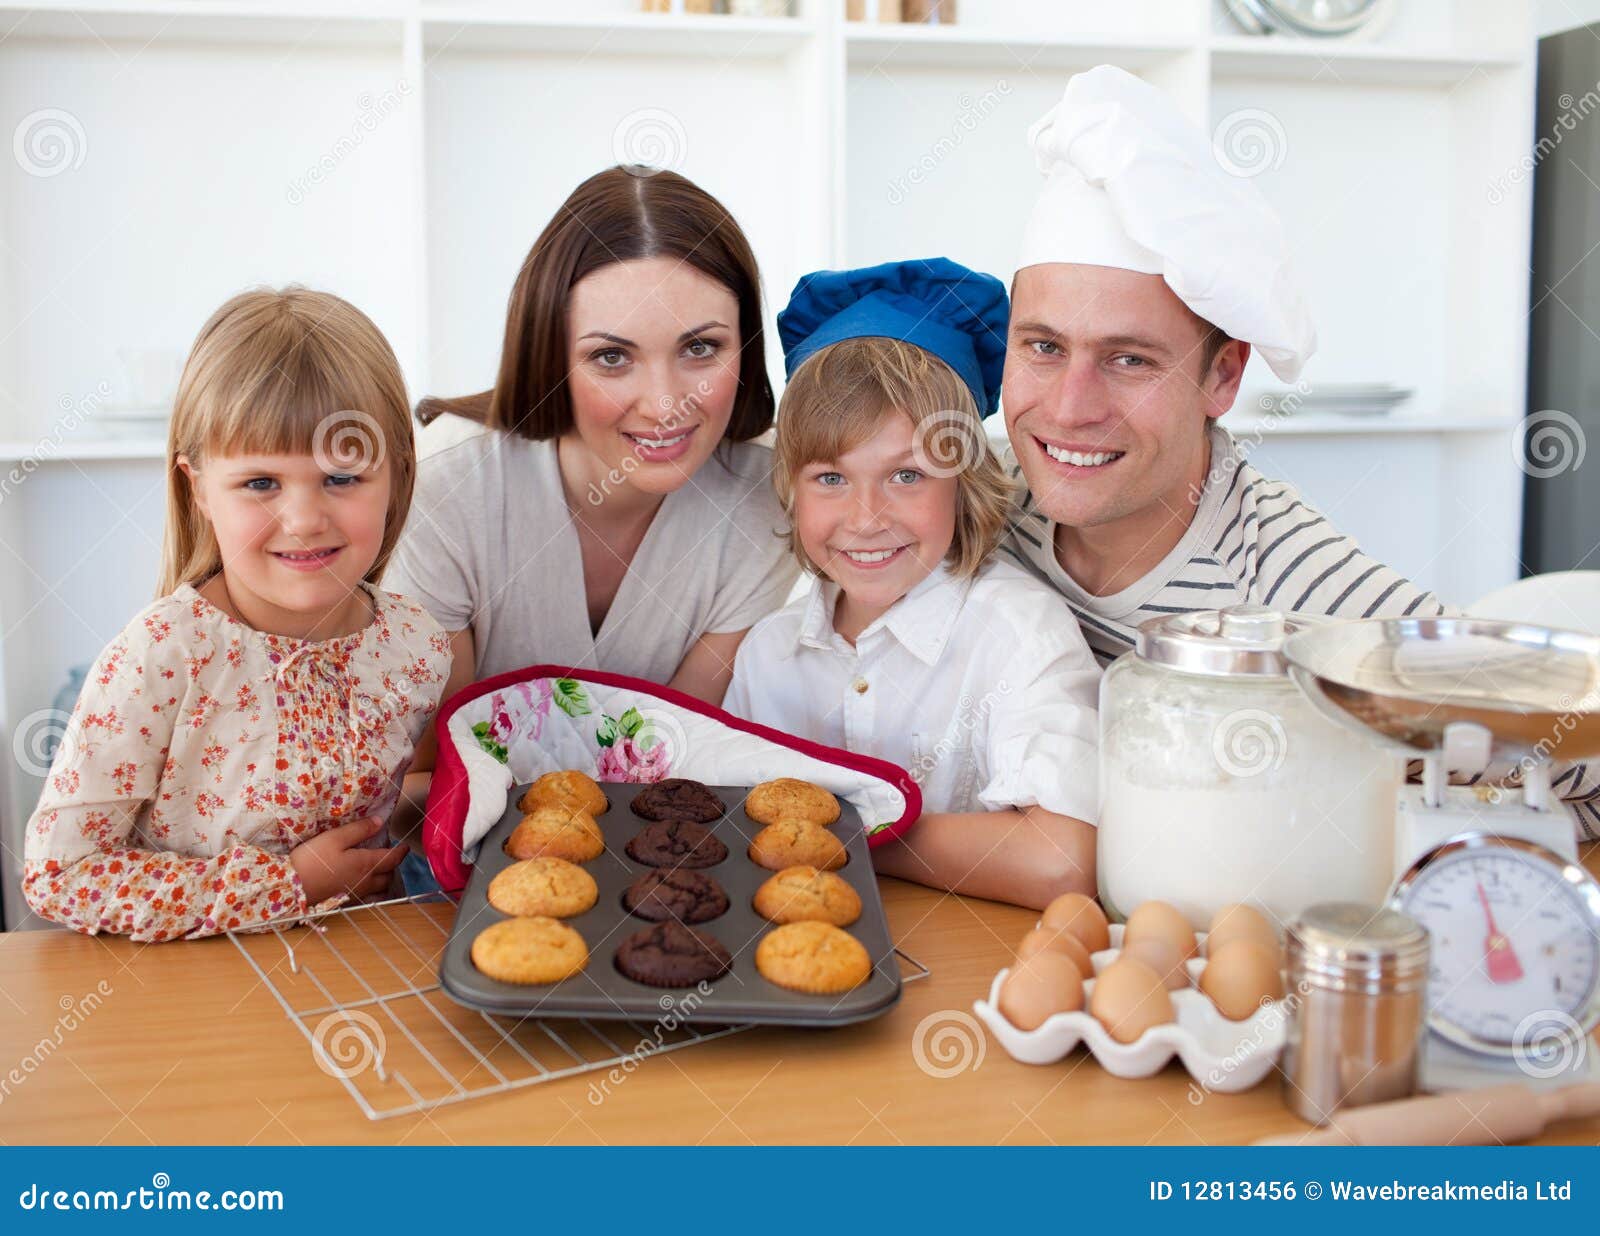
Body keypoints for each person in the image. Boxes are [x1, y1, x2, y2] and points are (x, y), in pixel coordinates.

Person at [1000, 65, 1599, 838]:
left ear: (1222, 376)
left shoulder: (1300, 592)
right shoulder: (980, 504)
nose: (1071, 408)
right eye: (1044, 347)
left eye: (1130, 360)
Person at [385, 168, 799, 855]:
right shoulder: (449, 490)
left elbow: (674, 757)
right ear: (551, 358)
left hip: (649, 853)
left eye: (701, 348)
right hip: (456, 861)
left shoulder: (766, 502)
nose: (665, 404)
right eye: (612, 357)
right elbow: (435, 772)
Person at [22, 288, 452, 941]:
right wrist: (288, 886)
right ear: (199, 490)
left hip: (355, 979)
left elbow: (386, 812)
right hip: (189, 1001)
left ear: (396, 474)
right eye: (260, 484)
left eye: (342, 478)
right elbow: (60, 875)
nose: (305, 519)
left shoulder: (417, 645)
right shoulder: (165, 653)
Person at [725, 260, 1100, 909]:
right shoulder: (767, 653)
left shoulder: (1017, 633)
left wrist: (842, 833)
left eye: (907, 476)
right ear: (789, 489)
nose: (866, 519)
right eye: (831, 479)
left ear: (965, 481)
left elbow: (1062, 861)